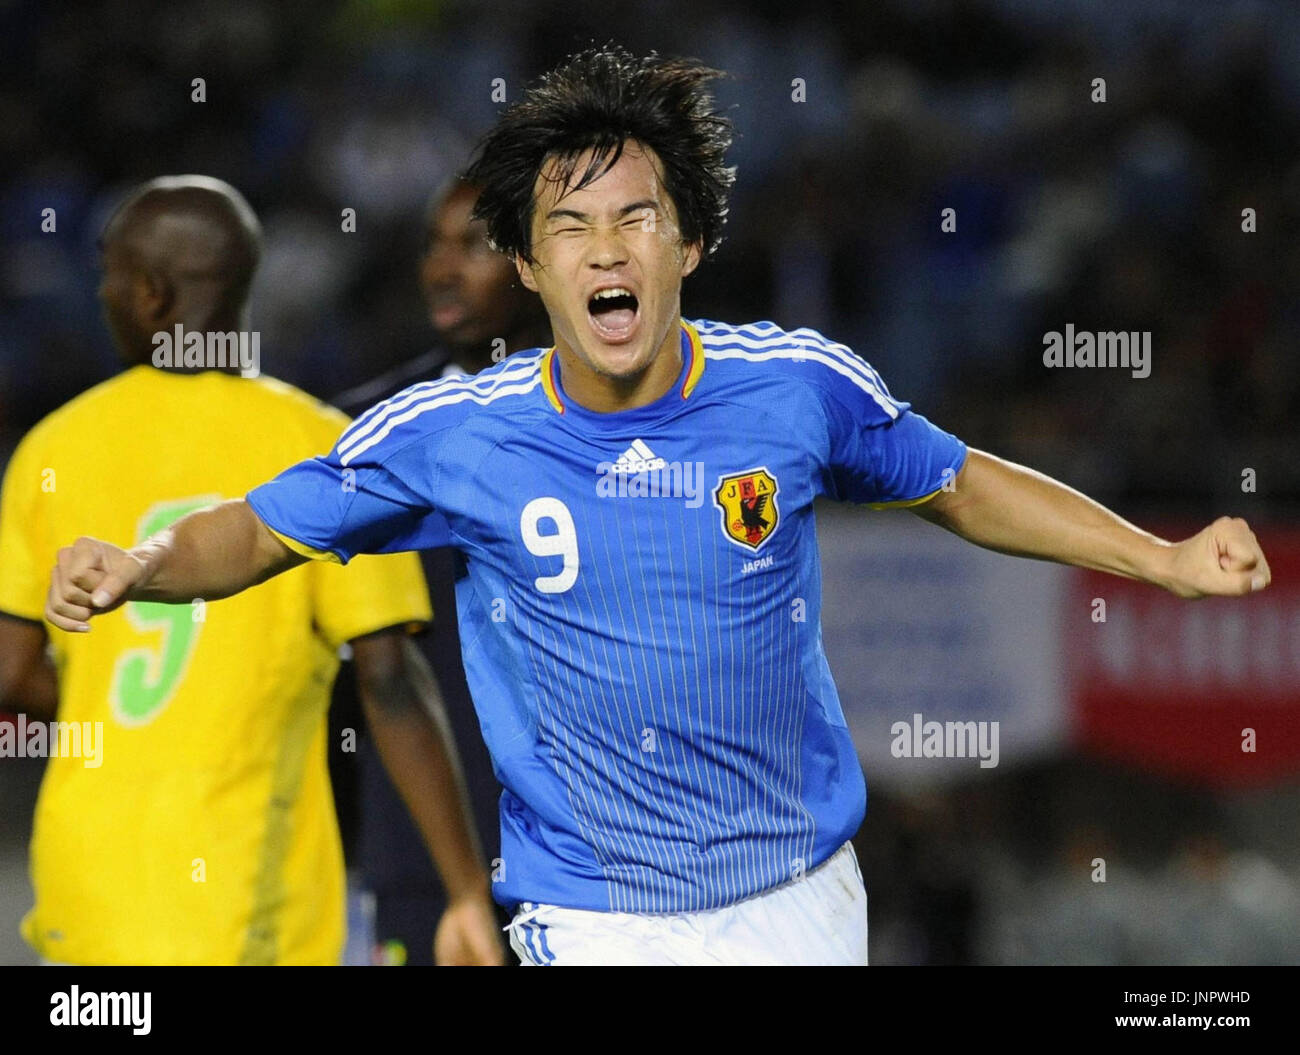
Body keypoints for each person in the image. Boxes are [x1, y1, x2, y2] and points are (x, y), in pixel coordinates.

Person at [42, 50, 1271, 966]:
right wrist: (138, 563)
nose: (604, 249)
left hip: (793, 898)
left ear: (689, 242)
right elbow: (252, 529)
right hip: (588, 912)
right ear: (530, 267)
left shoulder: (792, 391)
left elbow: (957, 481)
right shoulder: (455, 434)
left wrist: (1155, 557)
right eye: (567, 227)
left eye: (636, 217)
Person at [0, 175, 503, 965]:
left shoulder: (50, 449)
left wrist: (122, 707)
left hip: (83, 884)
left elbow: (11, 674)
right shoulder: (315, 446)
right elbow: (389, 680)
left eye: (107, 275)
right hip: (250, 892)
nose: (98, 294)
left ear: (151, 293)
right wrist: (466, 886)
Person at [331, 176, 548, 965]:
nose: (443, 269)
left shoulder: (623, 425)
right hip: (423, 857)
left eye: (475, 245)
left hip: (601, 857)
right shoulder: (362, 430)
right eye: (433, 245)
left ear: (536, 261)